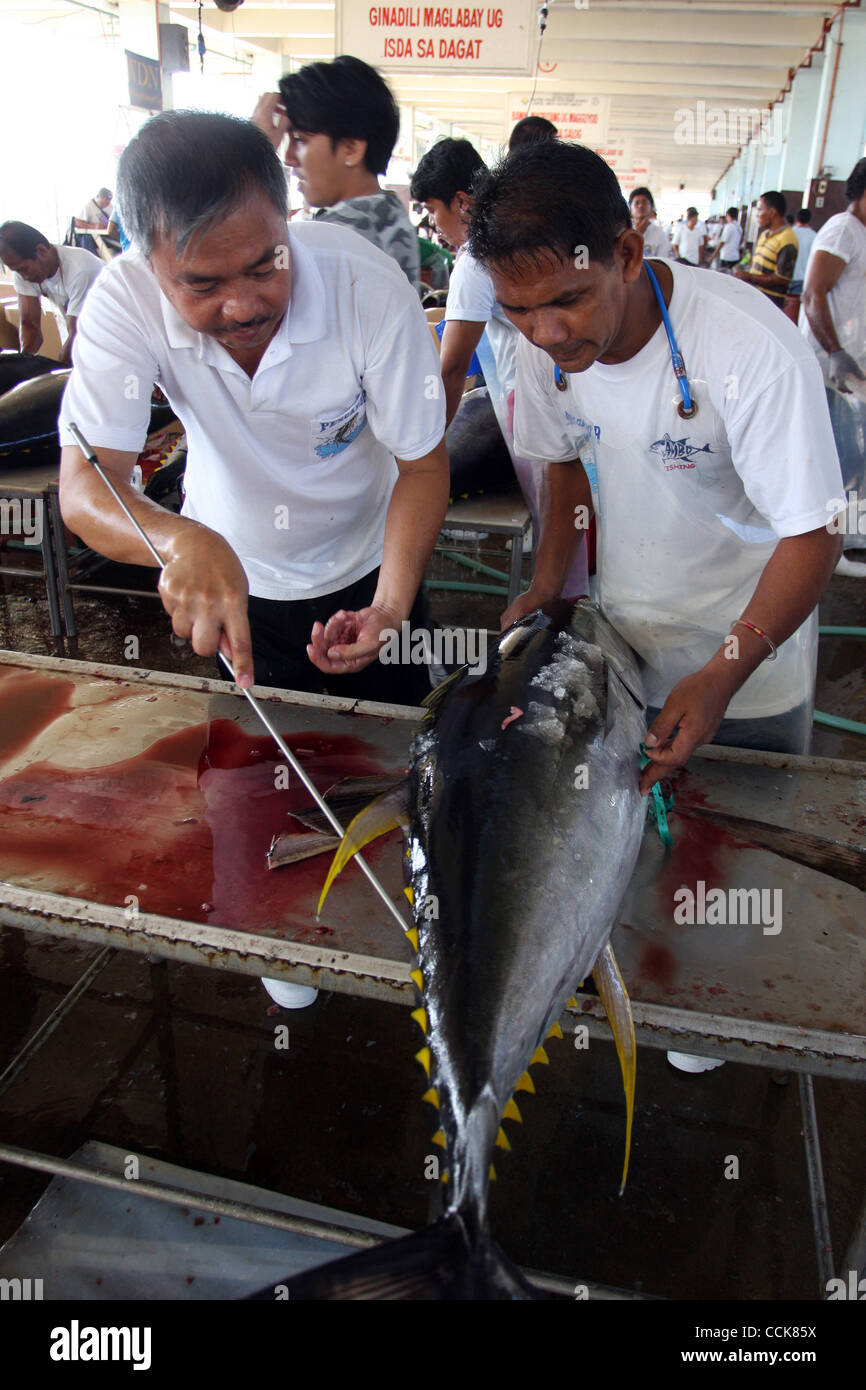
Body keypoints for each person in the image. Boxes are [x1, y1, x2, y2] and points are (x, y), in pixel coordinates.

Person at [410, 136, 587, 597]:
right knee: (571, 521)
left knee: (555, 519)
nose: (434, 224)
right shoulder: (521, 242)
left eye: (433, 210)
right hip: (557, 397)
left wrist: (426, 450)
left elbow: (452, 368)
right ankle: (573, 600)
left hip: (527, 404)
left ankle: (563, 608)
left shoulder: (474, 263)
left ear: (461, 202)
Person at [252, 55, 420, 290]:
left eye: (300, 139)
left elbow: (246, 274)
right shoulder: (388, 216)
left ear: (351, 149)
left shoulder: (334, 238)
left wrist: (252, 157)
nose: (288, 158)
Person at [801, 158, 866, 575]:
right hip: (834, 370)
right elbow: (813, 293)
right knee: (842, 459)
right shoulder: (844, 229)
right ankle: (835, 550)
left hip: (852, 370)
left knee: (853, 457)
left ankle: (848, 540)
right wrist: (837, 353)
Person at [0, 220, 103, 363]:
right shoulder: (23, 270)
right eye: (17, 271)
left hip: (113, 340)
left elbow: (78, 335)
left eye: (24, 269)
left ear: (41, 251)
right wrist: (23, 364)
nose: (23, 277)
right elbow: (30, 324)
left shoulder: (81, 271)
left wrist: (58, 371)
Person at [735, 191, 798, 308]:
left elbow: (783, 278)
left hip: (771, 303)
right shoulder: (764, 235)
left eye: (759, 210)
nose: (757, 215)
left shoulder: (787, 238)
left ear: (772, 212)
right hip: (756, 297)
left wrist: (751, 277)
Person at [629, 187, 673, 260]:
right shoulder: (624, 229)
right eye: (637, 203)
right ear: (630, 208)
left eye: (644, 202)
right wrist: (636, 233)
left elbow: (663, 261)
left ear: (652, 207)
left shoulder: (660, 234)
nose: (640, 206)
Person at [790, 209, 816, 294]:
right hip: (802, 278)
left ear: (796, 218)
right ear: (809, 219)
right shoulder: (814, 236)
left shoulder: (790, 233)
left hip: (786, 277)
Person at [710, 207, 744, 273]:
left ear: (728, 215)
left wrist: (712, 256)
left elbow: (722, 243)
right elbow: (741, 241)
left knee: (723, 276)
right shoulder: (739, 227)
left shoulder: (729, 226)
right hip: (735, 256)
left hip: (727, 257)